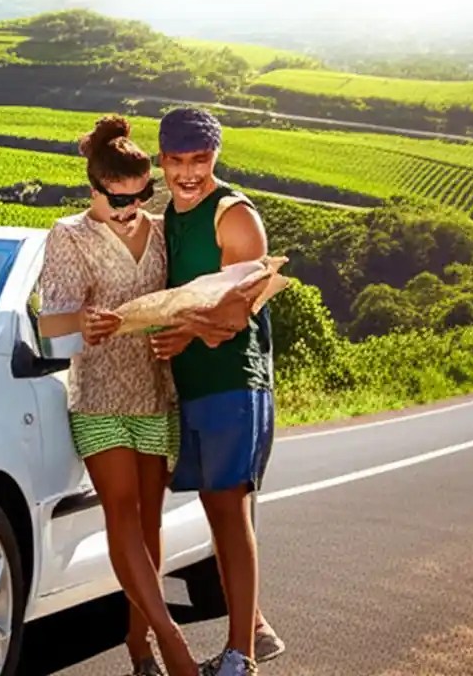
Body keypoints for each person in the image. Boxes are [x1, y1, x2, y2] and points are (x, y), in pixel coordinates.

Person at [36, 115, 197, 676]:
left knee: (150, 525)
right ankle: (172, 643)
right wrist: (82, 318)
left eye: (139, 196)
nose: (130, 209)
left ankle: (138, 643)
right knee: (123, 518)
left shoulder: (160, 229)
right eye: (118, 200)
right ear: (94, 188)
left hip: (156, 391)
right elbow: (50, 325)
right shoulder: (68, 235)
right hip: (98, 393)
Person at [149, 107, 286, 676]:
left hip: (235, 383)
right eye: (177, 161)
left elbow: (238, 308)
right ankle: (255, 628)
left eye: (199, 161)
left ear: (215, 157)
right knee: (218, 509)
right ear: (161, 161)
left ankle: (240, 657)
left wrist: (183, 334)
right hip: (194, 387)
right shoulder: (171, 218)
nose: (188, 172)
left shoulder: (234, 216)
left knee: (230, 510)